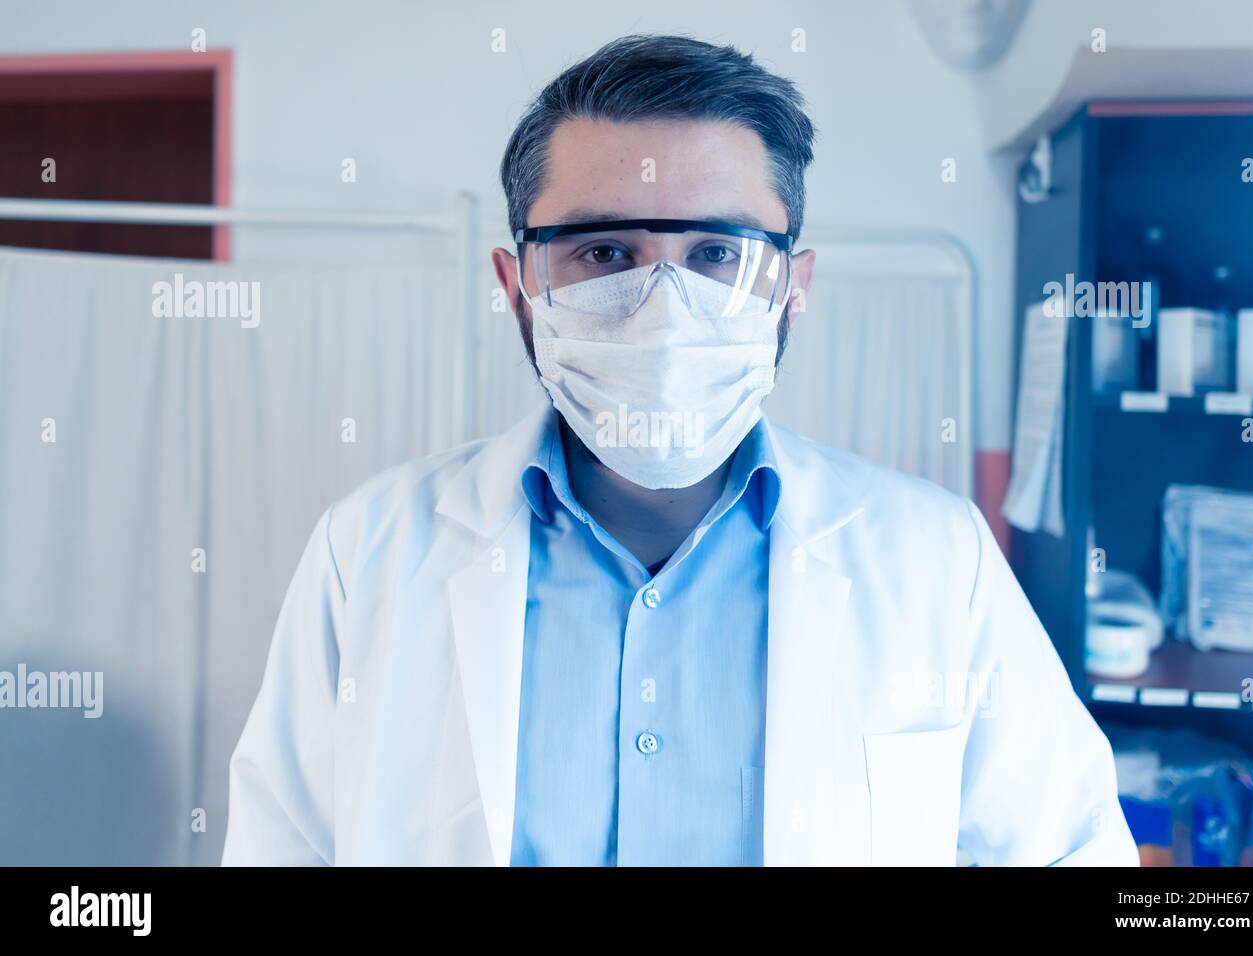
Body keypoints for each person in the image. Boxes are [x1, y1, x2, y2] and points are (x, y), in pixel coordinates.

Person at [222, 33, 1139, 867]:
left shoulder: (939, 562)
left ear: (793, 290)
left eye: (716, 255)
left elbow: (1073, 852)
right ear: (517, 287)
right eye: (605, 254)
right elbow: (280, 849)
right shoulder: (368, 554)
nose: (666, 312)